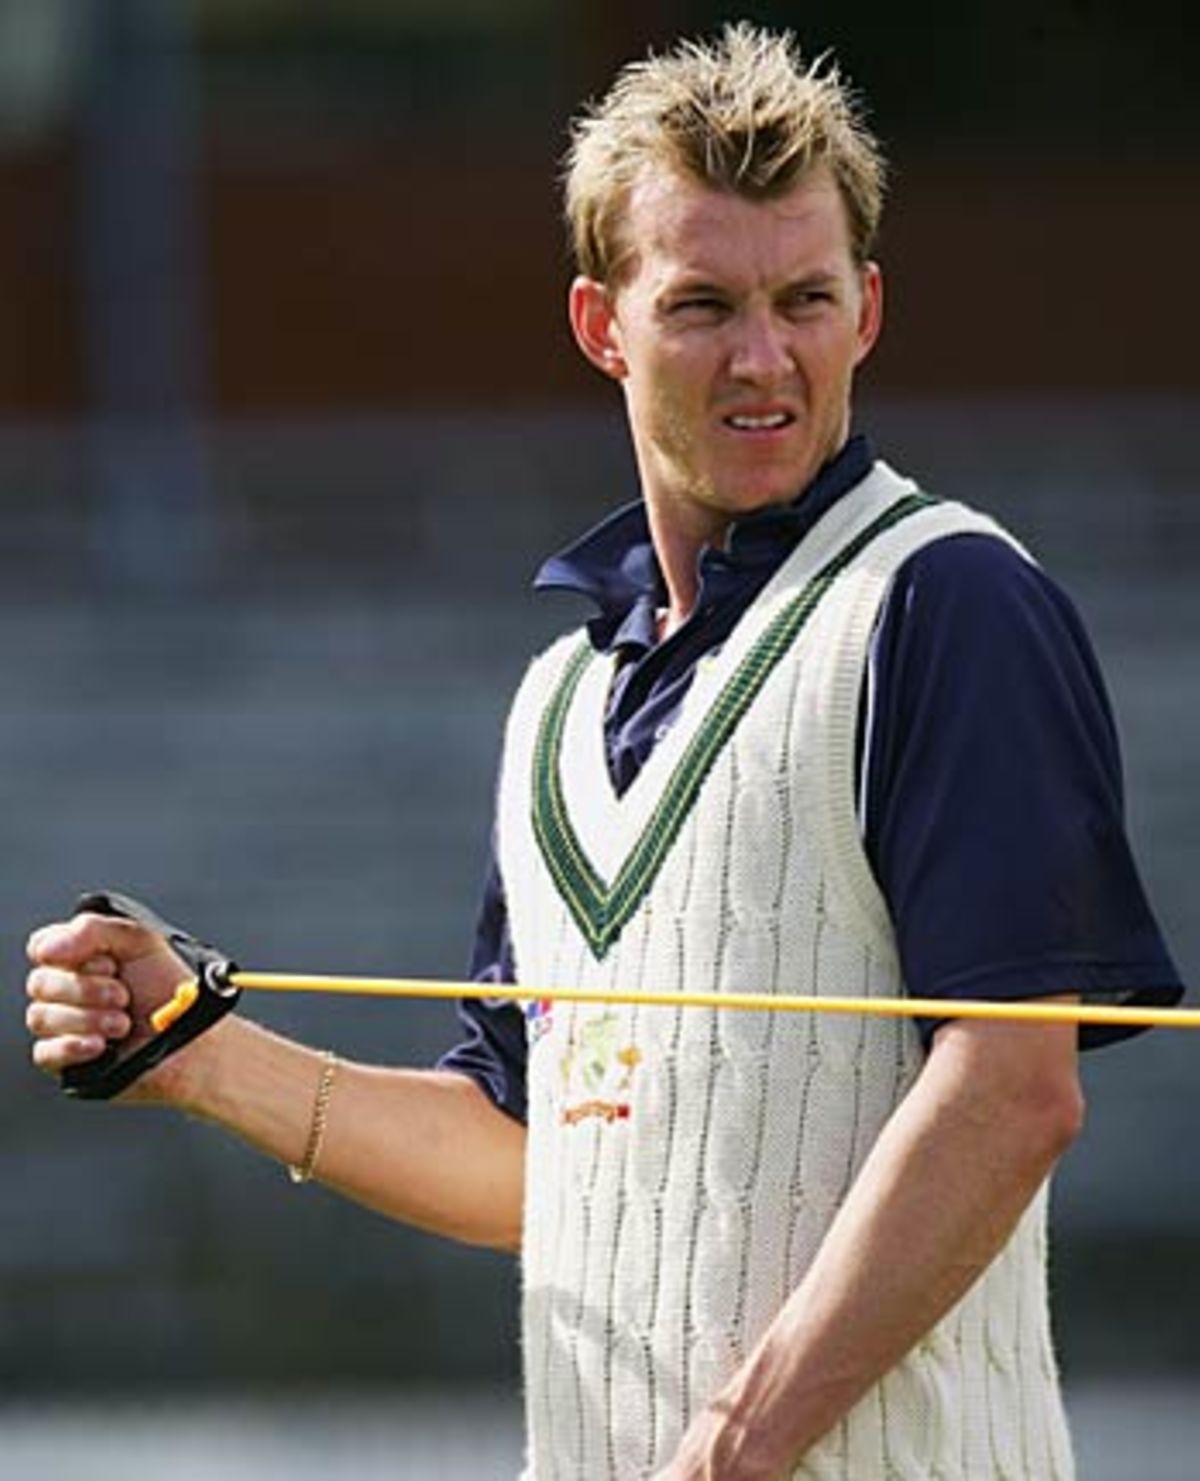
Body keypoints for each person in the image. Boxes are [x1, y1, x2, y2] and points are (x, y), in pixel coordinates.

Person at [25, 23, 1182, 1481]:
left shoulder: (950, 603)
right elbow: (528, 1159)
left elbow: (1016, 1089)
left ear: (869, 309)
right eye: (703, 305)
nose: (765, 358)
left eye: (805, 299)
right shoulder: (558, 704)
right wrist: (198, 1050)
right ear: (602, 326)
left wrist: (729, 1449)